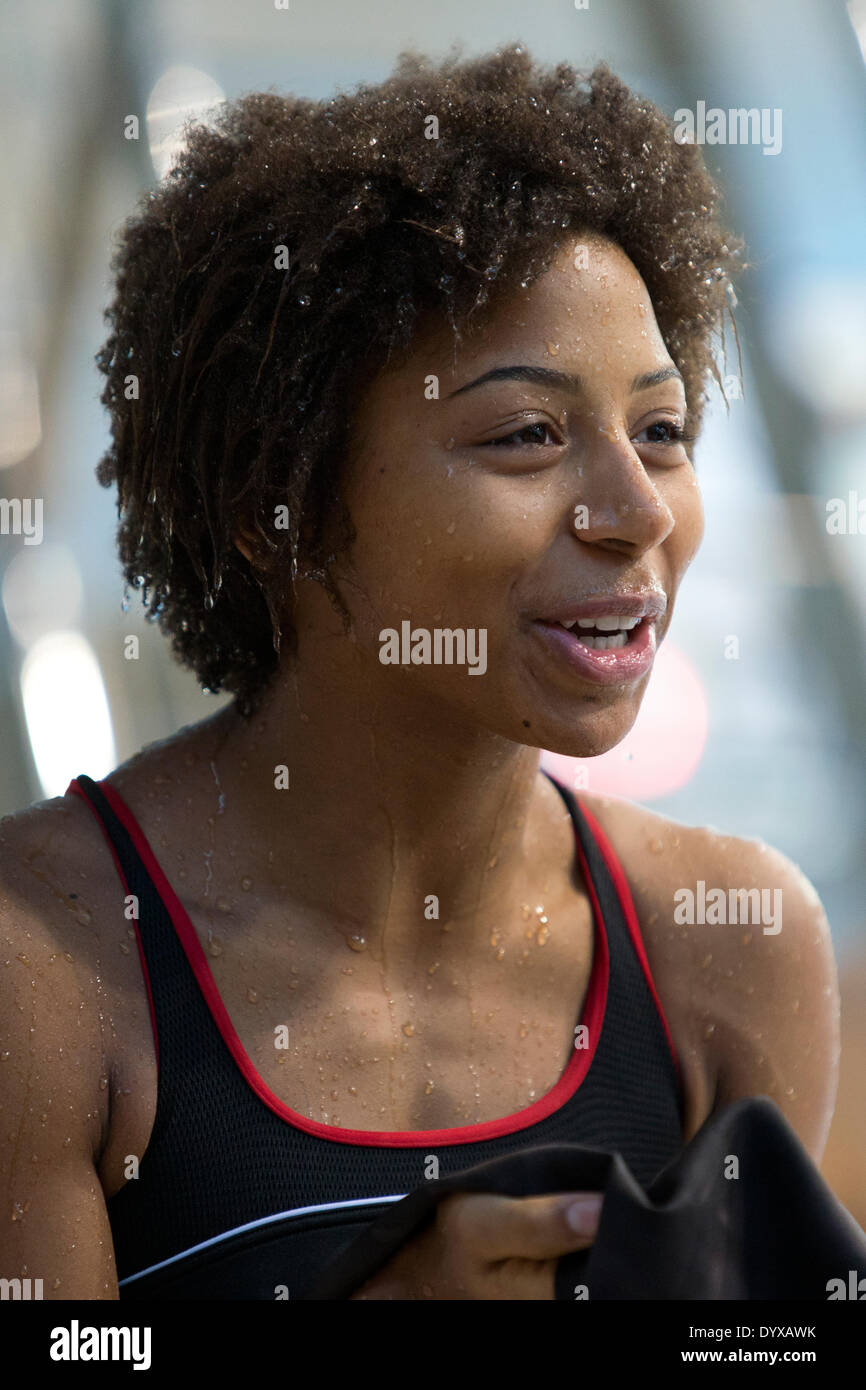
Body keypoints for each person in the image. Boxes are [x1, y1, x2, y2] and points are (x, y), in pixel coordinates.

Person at [0, 46, 839, 1300]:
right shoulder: (46, 972)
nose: (633, 511)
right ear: (273, 508)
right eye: (526, 435)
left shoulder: (728, 946)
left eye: (658, 431)